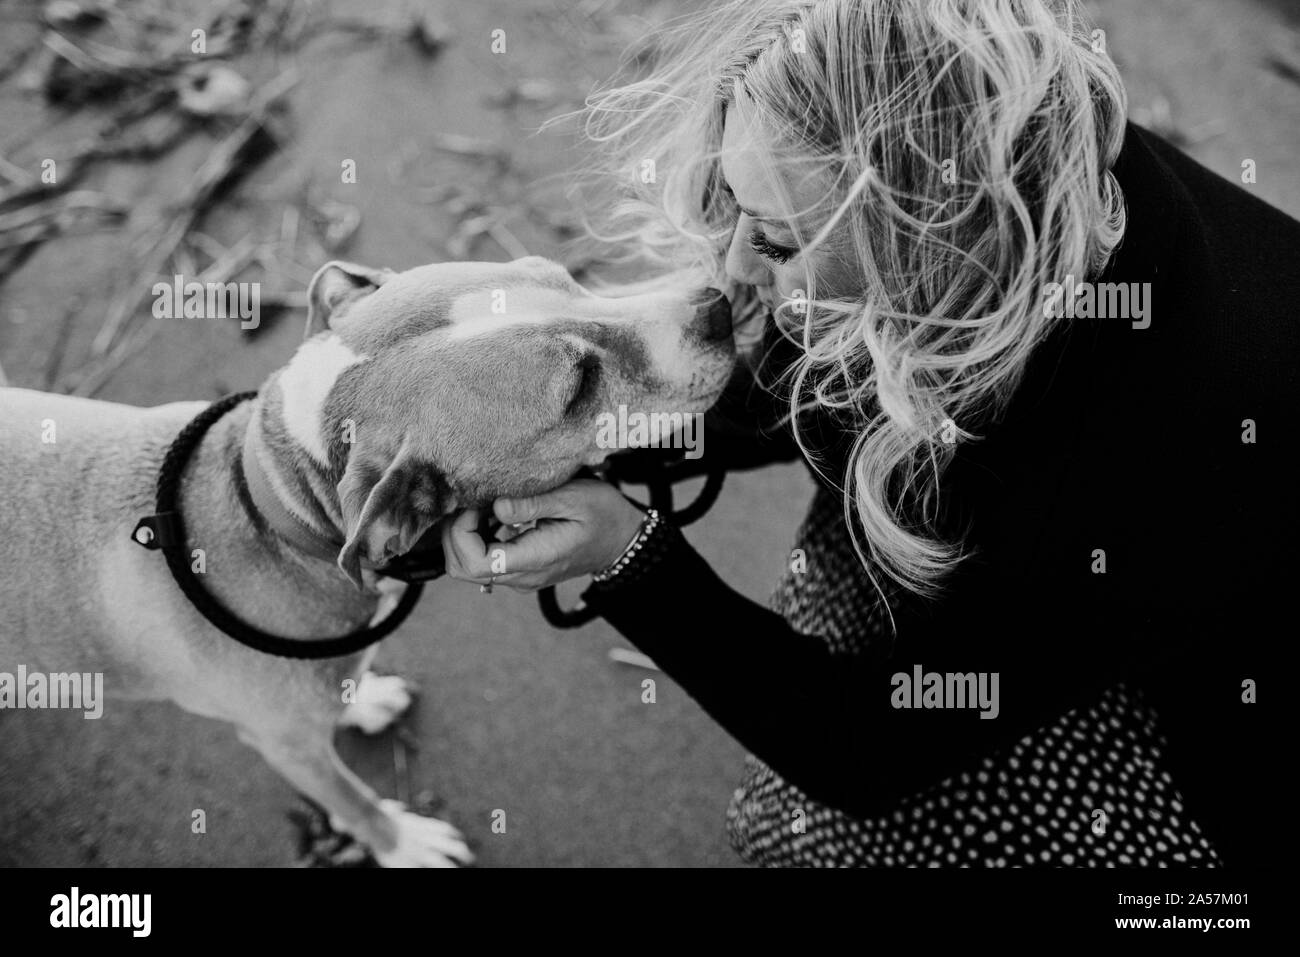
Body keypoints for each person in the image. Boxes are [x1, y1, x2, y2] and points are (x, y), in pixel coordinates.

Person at [443, 0, 1291, 867]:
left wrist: (629, 555)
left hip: (1210, 763)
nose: (731, 269)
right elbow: (794, 391)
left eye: (774, 238)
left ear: (925, 242)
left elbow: (865, 747)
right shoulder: (1027, 142)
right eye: (734, 205)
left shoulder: (1119, 475)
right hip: (1058, 584)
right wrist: (602, 432)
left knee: (826, 841)